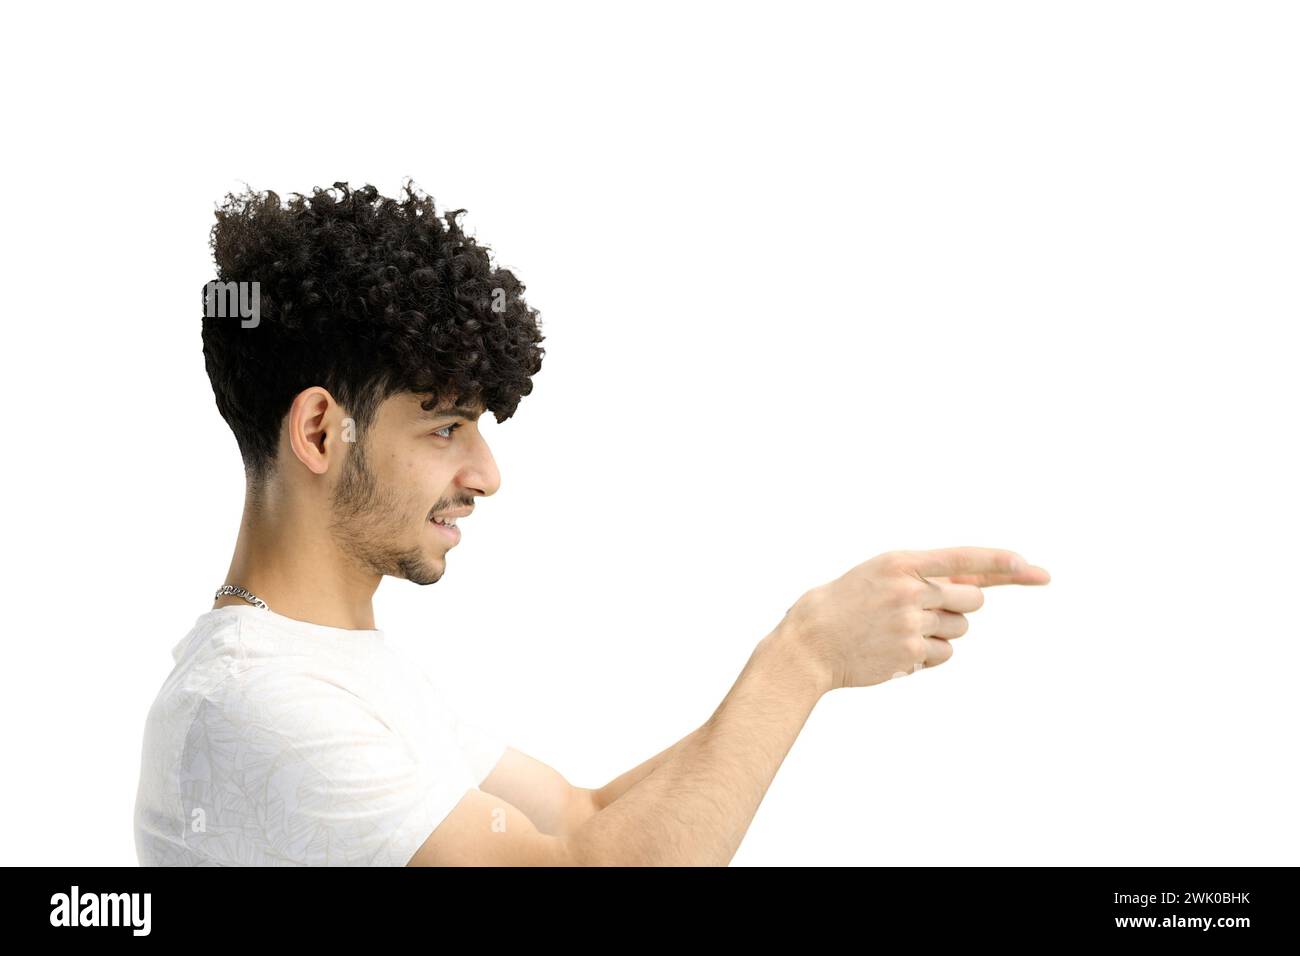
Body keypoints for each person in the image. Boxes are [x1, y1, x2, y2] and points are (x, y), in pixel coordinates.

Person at [133, 180, 1050, 867]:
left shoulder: (336, 668)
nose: (485, 473)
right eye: (445, 426)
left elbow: (577, 818)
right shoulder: (254, 705)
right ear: (322, 431)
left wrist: (825, 656)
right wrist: (805, 654)